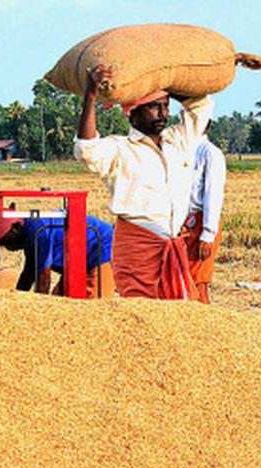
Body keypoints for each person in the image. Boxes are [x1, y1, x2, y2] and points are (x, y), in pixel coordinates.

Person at [75, 65, 212, 300]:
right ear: (132, 112)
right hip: (137, 247)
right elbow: (85, 149)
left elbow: (201, 106)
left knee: (179, 315)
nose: (163, 114)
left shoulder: (178, 140)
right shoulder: (120, 148)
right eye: (154, 107)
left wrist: (163, 78)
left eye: (166, 106)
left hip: (173, 243)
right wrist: (91, 95)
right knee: (142, 314)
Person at [0, 210, 116, 299]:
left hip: (100, 247)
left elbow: (44, 276)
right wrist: (18, 298)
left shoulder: (38, 232)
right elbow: (29, 272)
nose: (10, 248)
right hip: (76, 262)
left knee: (95, 305)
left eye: (7, 242)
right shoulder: (30, 232)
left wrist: (41, 308)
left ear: (15, 229)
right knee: (61, 301)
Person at [181, 127, 226, 304]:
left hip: (200, 223)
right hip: (182, 224)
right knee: (183, 281)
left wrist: (207, 234)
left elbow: (213, 193)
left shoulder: (210, 153)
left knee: (197, 282)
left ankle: (205, 327)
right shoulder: (179, 151)